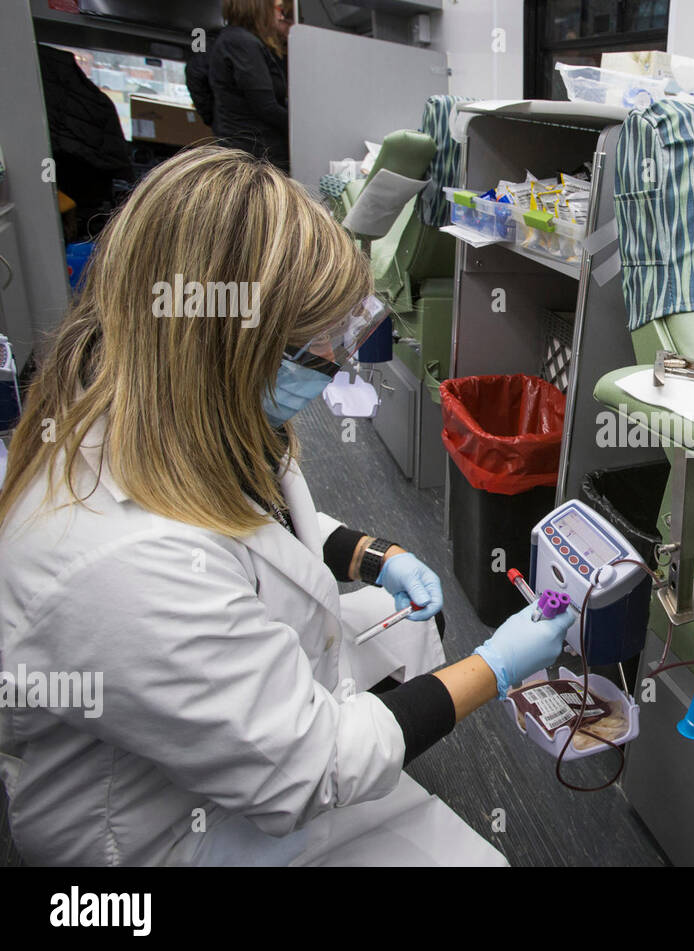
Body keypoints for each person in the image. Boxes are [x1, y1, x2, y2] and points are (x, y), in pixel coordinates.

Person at [0, 147, 574, 866]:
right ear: (222, 345)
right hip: (155, 832)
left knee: (404, 634)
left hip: (201, 699)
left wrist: (375, 557)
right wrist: (497, 665)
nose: (336, 363)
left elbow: (259, 520)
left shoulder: (175, 407)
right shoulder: (122, 564)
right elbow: (315, 769)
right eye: (317, 347)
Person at [209, 0, 290, 173]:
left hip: (252, 149)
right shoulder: (241, 42)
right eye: (278, 9)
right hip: (255, 153)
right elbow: (265, 106)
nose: (281, 16)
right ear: (261, 8)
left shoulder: (237, 39)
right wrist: (302, 126)